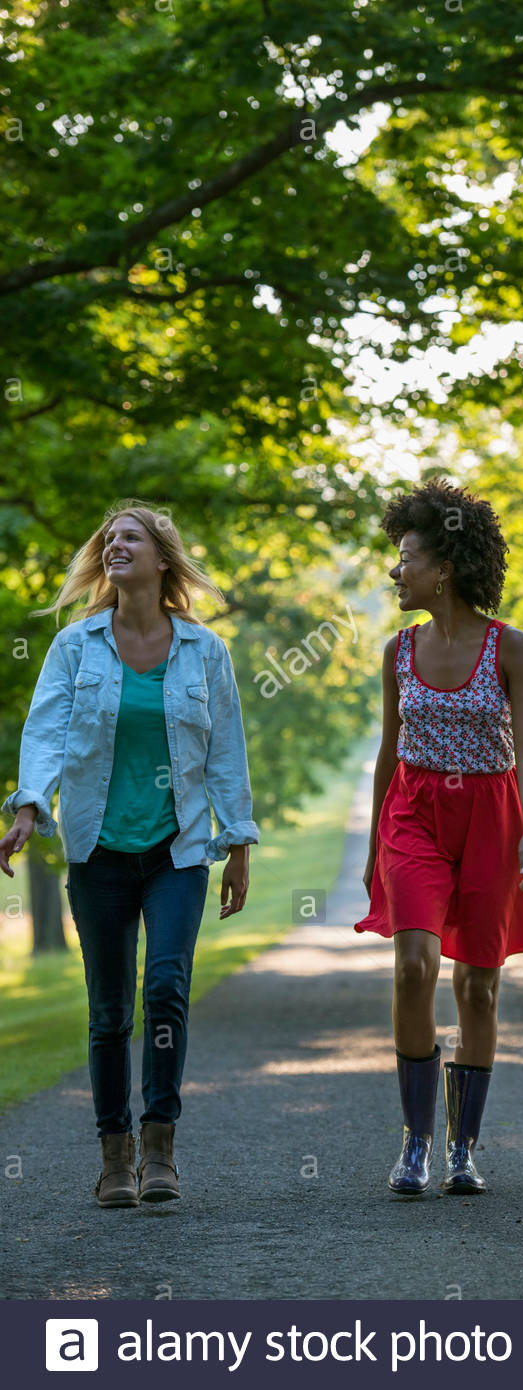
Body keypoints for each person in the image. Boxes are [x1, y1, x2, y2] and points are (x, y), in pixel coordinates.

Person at [0, 499, 258, 1208]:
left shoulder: (204, 650)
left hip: (176, 849)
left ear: (162, 558)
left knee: (166, 991)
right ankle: (114, 1157)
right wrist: (28, 806)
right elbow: (46, 732)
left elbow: (226, 752)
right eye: (108, 538)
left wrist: (237, 842)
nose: (115, 545)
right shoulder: (75, 646)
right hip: (98, 850)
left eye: (131, 537)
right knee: (109, 1009)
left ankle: (160, 1145)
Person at [354, 478, 523, 1196]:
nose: (394, 570)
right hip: (414, 810)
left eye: (405, 557)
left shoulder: (510, 647)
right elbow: (386, 749)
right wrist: (378, 840)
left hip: (493, 815)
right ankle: (414, 1143)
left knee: (479, 988)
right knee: (413, 966)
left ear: (445, 568)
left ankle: (461, 1148)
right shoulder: (396, 651)